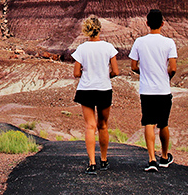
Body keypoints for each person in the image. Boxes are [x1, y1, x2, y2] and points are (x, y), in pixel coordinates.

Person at [129, 9, 177, 172]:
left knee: (148, 122)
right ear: (162, 23)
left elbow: (134, 66)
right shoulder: (169, 43)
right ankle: (164, 157)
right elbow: (173, 67)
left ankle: (151, 159)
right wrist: (165, 76)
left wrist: (145, 72)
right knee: (163, 124)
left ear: (147, 23)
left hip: (146, 90)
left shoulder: (139, 42)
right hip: (163, 90)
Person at [72, 16, 119, 175]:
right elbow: (116, 71)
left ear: (86, 30)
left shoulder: (81, 48)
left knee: (90, 126)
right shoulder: (108, 47)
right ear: (99, 29)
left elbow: (76, 73)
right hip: (104, 89)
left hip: (86, 90)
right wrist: (105, 75)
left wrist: (88, 73)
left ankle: (92, 162)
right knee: (103, 125)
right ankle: (104, 160)